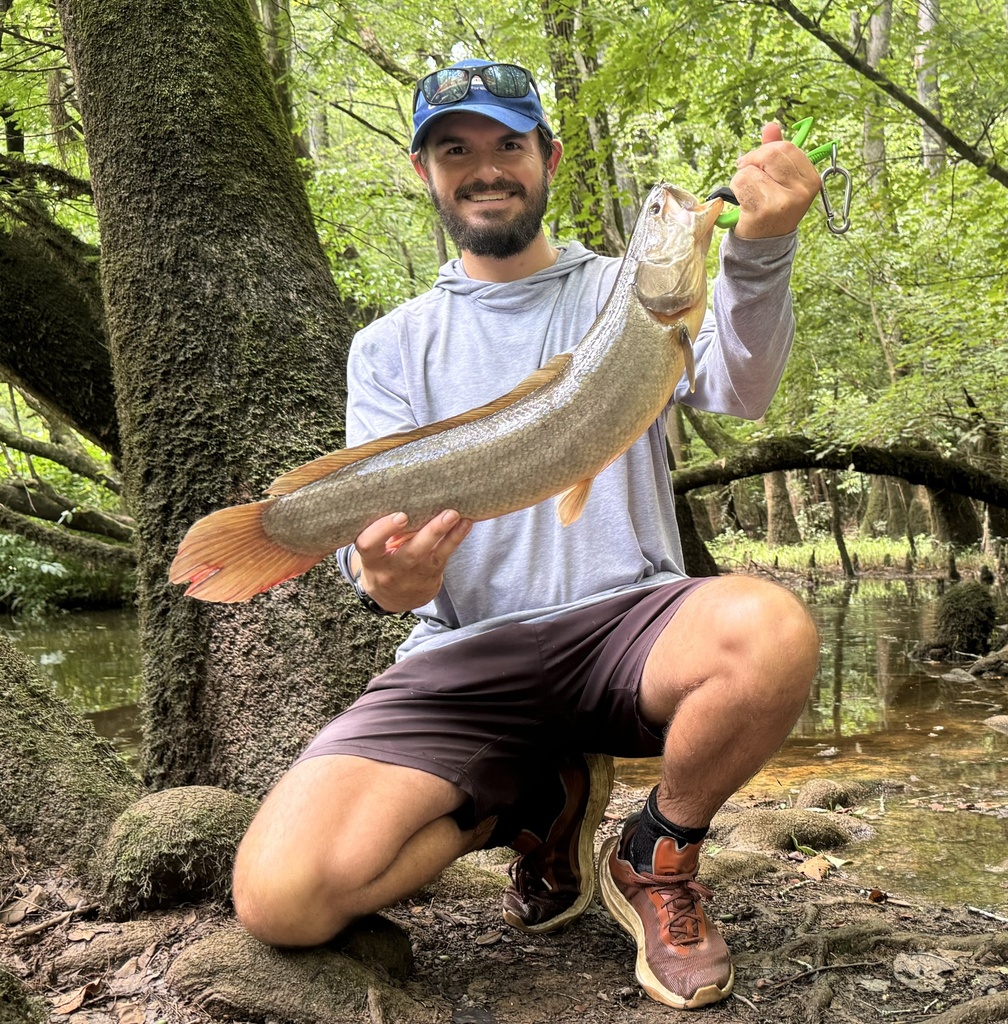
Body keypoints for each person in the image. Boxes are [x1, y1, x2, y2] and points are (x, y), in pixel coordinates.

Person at [232, 58, 822, 1010]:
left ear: (546, 157)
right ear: (424, 174)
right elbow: (371, 565)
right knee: (281, 898)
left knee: (772, 629)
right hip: (466, 653)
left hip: (634, 627)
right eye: (455, 150)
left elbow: (741, 389)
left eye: (508, 144)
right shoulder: (389, 345)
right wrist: (390, 580)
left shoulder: (626, 296)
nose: (485, 168)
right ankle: (533, 809)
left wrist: (762, 250)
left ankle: (659, 852)